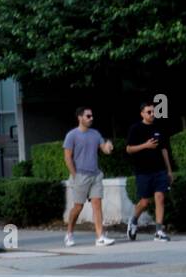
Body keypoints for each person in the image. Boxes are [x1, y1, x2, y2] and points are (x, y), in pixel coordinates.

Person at [63, 107, 115, 247]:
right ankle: (69, 233)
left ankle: (100, 237)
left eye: (92, 116)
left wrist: (108, 147)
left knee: (97, 204)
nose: (91, 118)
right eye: (88, 116)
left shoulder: (95, 134)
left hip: (95, 175)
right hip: (80, 176)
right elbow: (67, 157)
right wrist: (75, 175)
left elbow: (104, 148)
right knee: (78, 207)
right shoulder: (72, 135)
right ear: (80, 118)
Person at [125, 101, 174, 242]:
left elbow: (164, 149)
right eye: (149, 112)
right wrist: (145, 145)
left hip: (159, 170)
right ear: (142, 114)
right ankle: (133, 220)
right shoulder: (136, 128)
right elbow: (129, 149)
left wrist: (169, 170)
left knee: (160, 197)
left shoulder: (158, 127)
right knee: (145, 202)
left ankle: (159, 231)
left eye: (153, 112)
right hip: (143, 171)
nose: (152, 114)